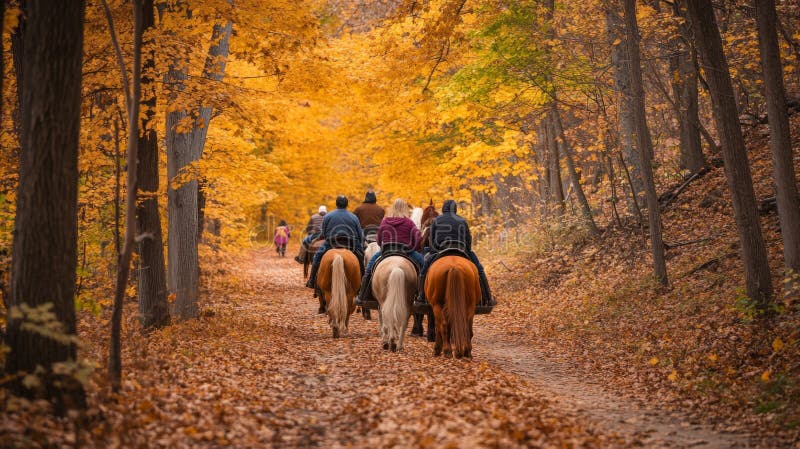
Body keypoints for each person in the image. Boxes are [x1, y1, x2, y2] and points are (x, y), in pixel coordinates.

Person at [415, 199, 495, 307]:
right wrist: (467, 250)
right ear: (455, 209)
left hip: (441, 249)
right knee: (479, 269)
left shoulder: (437, 220)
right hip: (461, 249)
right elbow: (468, 239)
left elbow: (432, 239)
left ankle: (421, 296)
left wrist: (434, 251)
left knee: (424, 268)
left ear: (443, 209)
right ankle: (487, 298)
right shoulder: (462, 220)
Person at [356, 198, 423, 303]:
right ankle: (422, 295)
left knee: (369, 268)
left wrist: (383, 245)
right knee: (424, 266)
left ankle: (362, 295)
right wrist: (413, 247)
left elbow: (378, 240)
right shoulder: (409, 222)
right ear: (404, 209)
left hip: (386, 250)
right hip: (405, 251)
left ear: (393, 208)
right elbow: (417, 237)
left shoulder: (385, 221)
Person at [305, 195, 364, 289]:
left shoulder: (328, 216)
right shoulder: (354, 217)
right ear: (347, 204)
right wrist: (360, 244)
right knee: (361, 258)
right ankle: (363, 283)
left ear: (336, 204)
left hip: (331, 243)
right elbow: (359, 234)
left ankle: (312, 280)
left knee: (317, 257)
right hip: (351, 243)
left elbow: (323, 233)